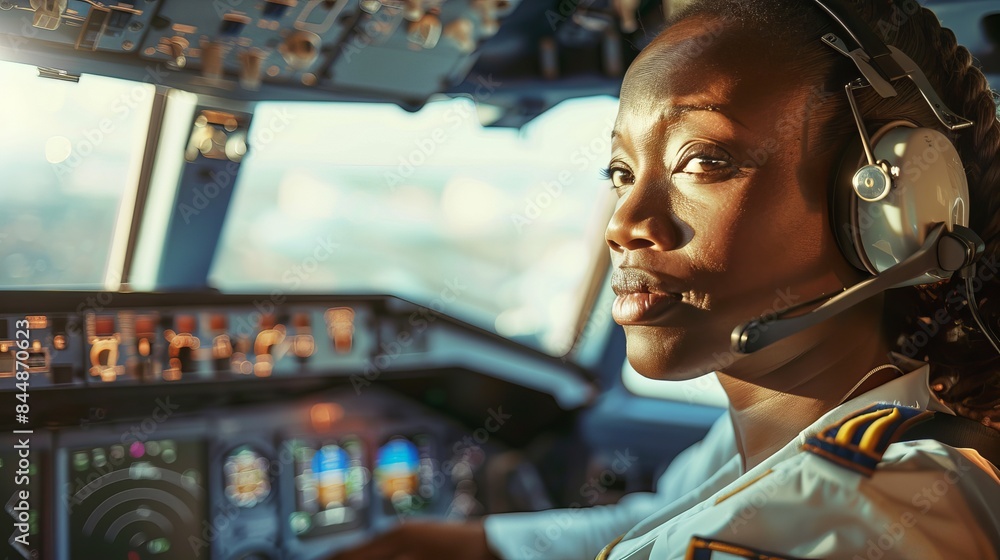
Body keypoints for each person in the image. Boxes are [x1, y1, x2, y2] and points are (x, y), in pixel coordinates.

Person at [333, 0, 1000, 557]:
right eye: (621, 172)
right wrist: (473, 544)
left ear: (895, 214)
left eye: (703, 160)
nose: (624, 223)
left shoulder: (846, 523)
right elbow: (660, 521)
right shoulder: (787, 439)